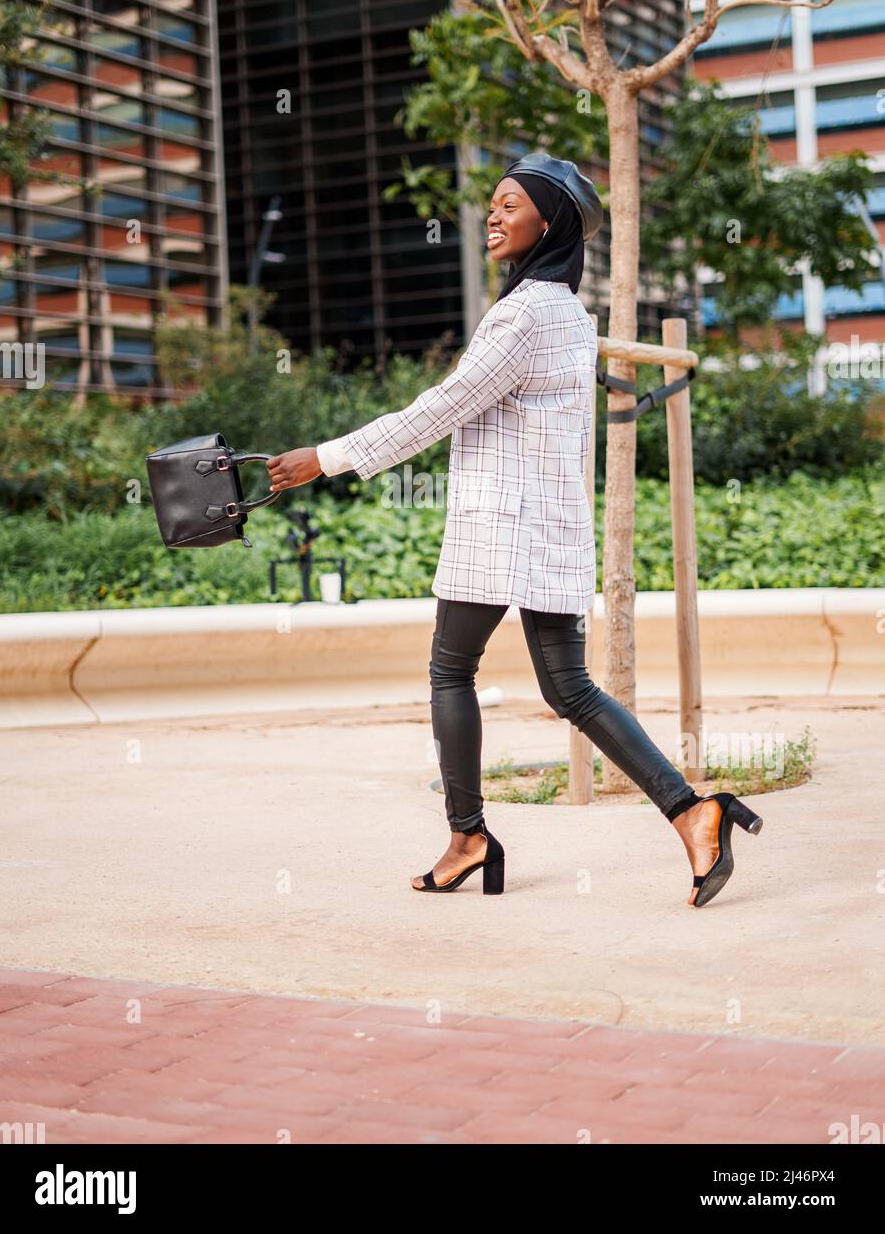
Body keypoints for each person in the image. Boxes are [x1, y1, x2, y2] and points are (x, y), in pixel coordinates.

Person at [267, 151, 763, 908]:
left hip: (500, 529)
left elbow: (440, 407)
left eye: (511, 204)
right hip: (553, 528)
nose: (494, 216)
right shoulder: (568, 314)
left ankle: (469, 837)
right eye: (493, 204)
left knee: (450, 671)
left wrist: (327, 458)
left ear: (550, 221)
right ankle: (692, 811)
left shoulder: (523, 315)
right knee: (571, 688)